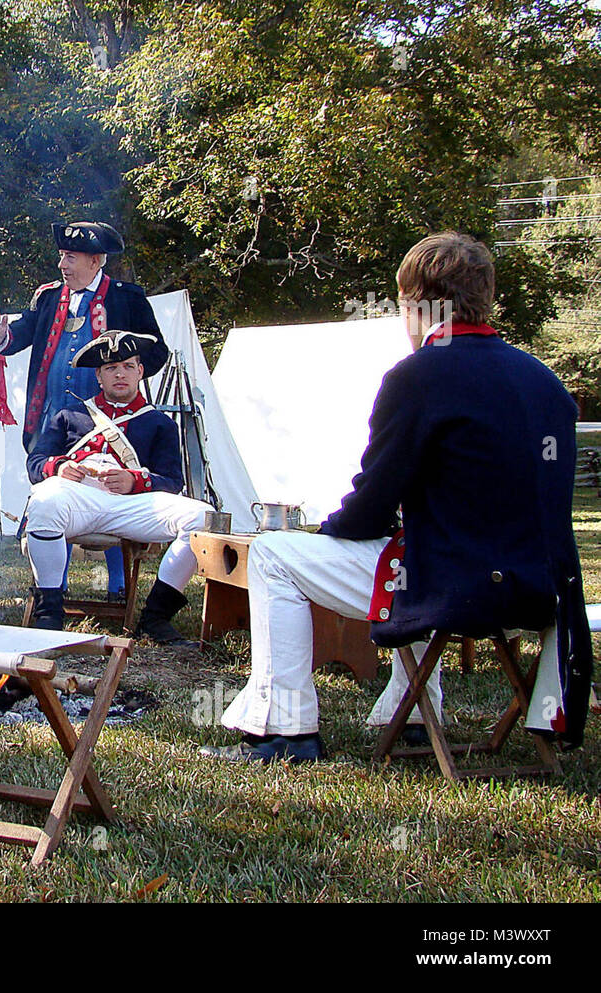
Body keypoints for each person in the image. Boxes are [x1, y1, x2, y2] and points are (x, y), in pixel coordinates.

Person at [201, 231, 592, 764]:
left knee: (273, 555)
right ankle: (407, 712)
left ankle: (285, 731)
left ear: (413, 303)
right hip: (537, 589)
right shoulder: (544, 381)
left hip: (453, 586)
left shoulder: (419, 376)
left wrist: (328, 532)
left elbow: (372, 504)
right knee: (411, 547)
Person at [0, 220, 167, 597]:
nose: (62, 265)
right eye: (62, 256)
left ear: (96, 260)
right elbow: (24, 333)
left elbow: (157, 350)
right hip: (52, 413)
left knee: (112, 487)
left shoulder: (127, 299)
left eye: (71, 257)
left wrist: (126, 373)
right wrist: (4, 338)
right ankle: (56, 583)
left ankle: (119, 586)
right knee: (58, 485)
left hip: (108, 417)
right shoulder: (49, 296)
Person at [23, 330, 211, 642]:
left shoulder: (159, 423)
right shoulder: (69, 415)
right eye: (111, 368)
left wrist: (136, 480)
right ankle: (48, 613)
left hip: (132, 504)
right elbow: (35, 462)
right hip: (77, 498)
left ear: (140, 371)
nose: (120, 374)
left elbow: (172, 481)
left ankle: (156, 618)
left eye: (127, 366)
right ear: (99, 375)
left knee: (203, 518)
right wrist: (59, 466)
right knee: (44, 500)